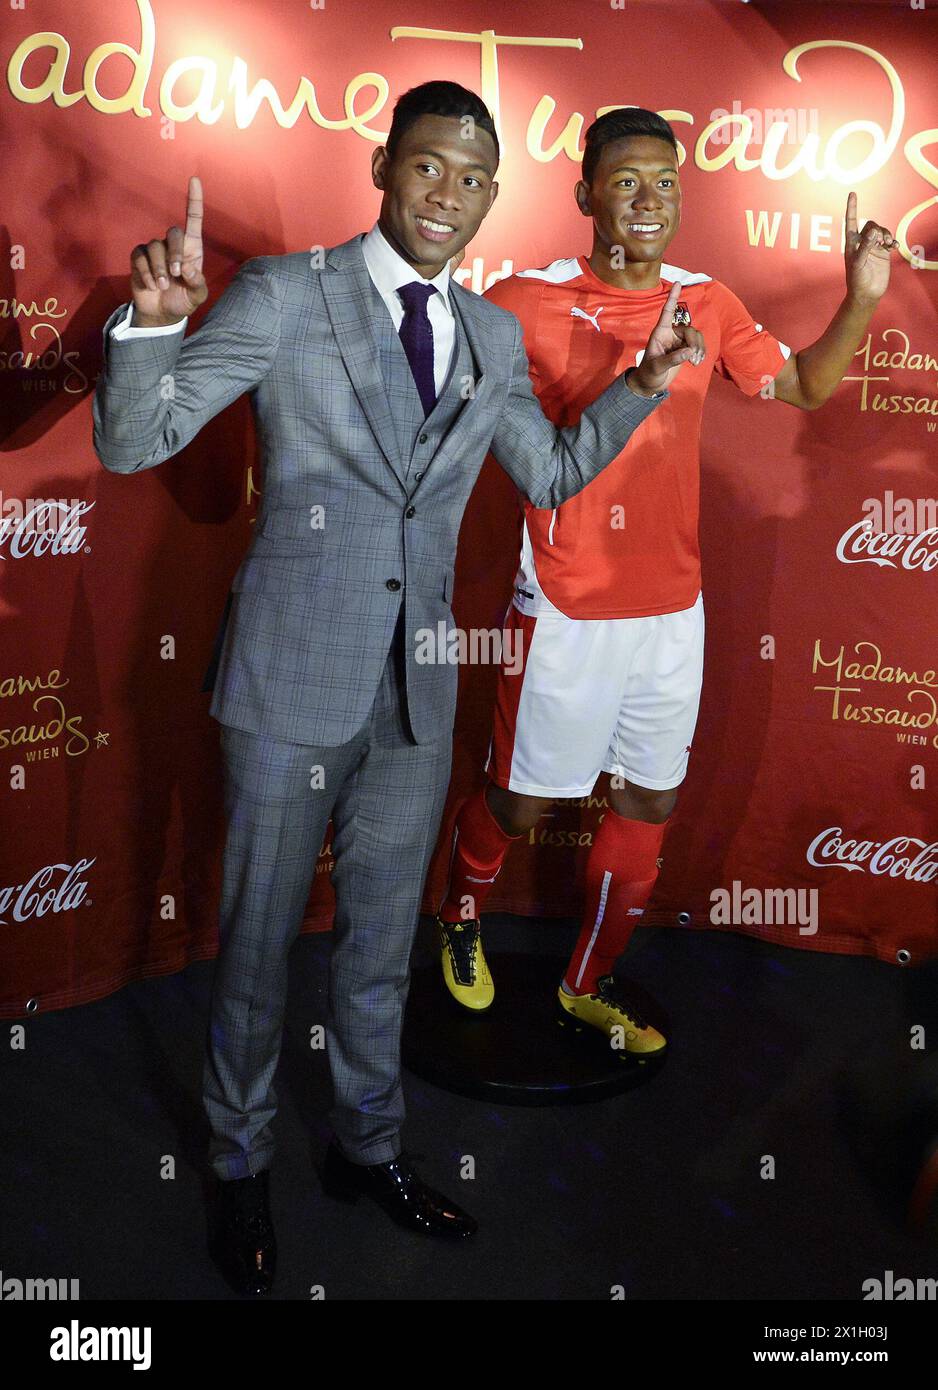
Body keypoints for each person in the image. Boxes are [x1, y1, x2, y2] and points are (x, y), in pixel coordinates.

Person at [92, 83, 703, 1296]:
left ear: (491, 198)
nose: (449, 197)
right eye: (428, 168)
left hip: (419, 696)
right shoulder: (283, 293)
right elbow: (133, 441)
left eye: (473, 181)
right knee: (261, 945)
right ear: (381, 165)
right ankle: (238, 1162)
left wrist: (640, 382)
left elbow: (554, 471)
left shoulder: (485, 335)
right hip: (287, 684)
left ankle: (368, 1147)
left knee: (379, 950)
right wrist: (149, 328)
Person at [435, 107, 897, 1052]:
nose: (650, 201)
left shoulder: (707, 301)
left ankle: (588, 982)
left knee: (649, 800)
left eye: (665, 181)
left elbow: (804, 387)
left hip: (671, 610)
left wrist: (860, 296)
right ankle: (458, 914)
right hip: (564, 605)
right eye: (626, 181)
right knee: (522, 802)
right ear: (584, 197)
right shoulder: (521, 301)